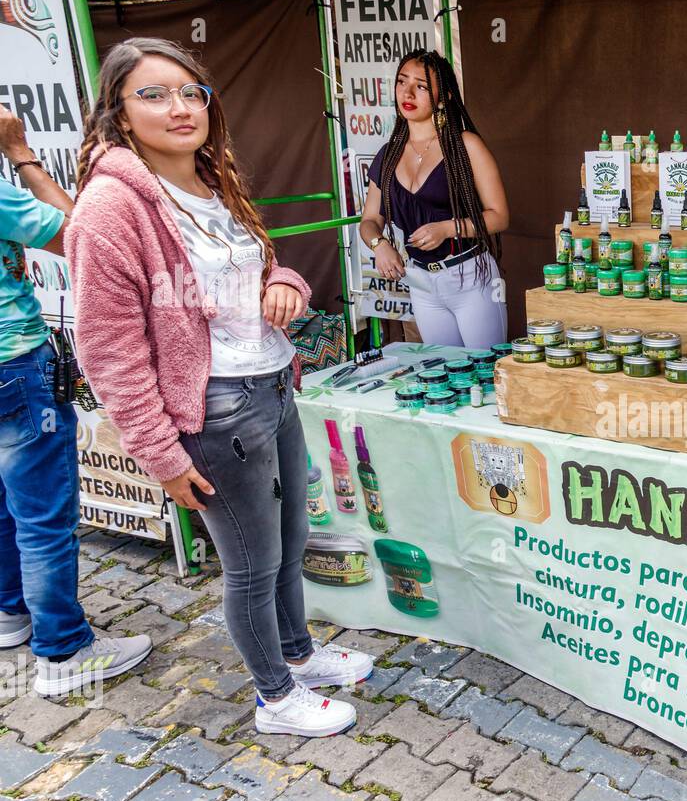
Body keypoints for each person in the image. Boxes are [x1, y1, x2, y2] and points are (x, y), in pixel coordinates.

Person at [66, 38, 372, 736]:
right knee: (250, 564)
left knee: (293, 540)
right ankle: (275, 699)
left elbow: (261, 265)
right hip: (213, 409)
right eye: (153, 94)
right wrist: (162, 456)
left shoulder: (208, 178)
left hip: (271, 383)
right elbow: (109, 350)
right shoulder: (111, 208)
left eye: (190, 92)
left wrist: (286, 285)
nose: (179, 108)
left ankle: (298, 655)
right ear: (117, 110)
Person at [0, 103, 154, 697]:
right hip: (12, 363)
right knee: (42, 519)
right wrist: (21, 155)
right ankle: (63, 649)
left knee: (3, 505)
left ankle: (11, 614)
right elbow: (80, 237)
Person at [358, 48, 509, 348]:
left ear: (443, 98)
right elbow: (370, 219)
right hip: (422, 282)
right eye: (402, 81)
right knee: (444, 373)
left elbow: (499, 215)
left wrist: (447, 228)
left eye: (422, 86)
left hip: (471, 276)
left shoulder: (465, 145)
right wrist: (380, 244)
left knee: (485, 373)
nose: (408, 91)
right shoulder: (388, 155)